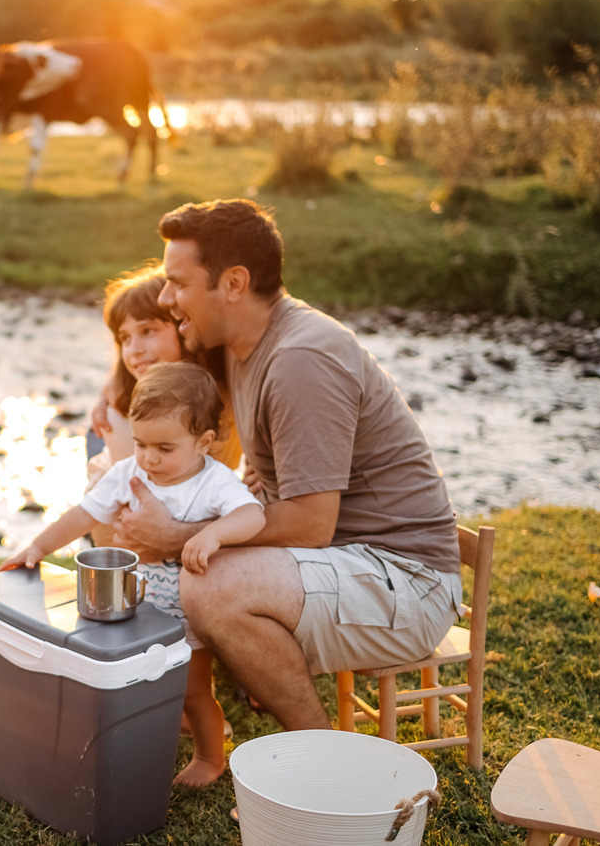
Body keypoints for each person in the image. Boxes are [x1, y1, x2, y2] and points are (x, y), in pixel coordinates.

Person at [112, 198, 462, 733]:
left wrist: (176, 536)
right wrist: (107, 394)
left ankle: (319, 751)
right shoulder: (238, 342)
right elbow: (156, 369)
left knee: (212, 586)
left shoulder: (301, 359)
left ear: (234, 283)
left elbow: (311, 523)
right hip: (350, 561)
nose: (165, 299)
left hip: (405, 582)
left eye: (178, 284)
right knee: (196, 566)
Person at [1, 362, 264, 787]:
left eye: (165, 447)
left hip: (188, 616)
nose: (149, 457)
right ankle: (137, 742)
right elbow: (84, 513)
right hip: (136, 610)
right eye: (141, 444)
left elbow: (253, 515)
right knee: (133, 683)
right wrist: (38, 547)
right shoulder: (130, 472)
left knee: (194, 692)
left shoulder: (214, 482)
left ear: (204, 442)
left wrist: (214, 533)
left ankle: (210, 757)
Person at [89, 261, 242, 475]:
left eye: (148, 331)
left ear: (184, 327)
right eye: (125, 338)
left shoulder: (227, 388)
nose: (134, 350)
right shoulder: (119, 417)